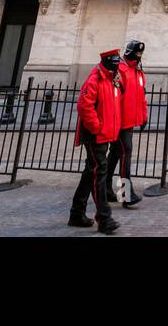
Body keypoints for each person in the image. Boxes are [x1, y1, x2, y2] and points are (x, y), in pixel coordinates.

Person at [69, 48, 122, 233]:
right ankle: (104, 219)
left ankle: (76, 213)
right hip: (95, 135)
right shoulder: (95, 79)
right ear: (108, 62)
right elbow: (84, 105)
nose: (118, 66)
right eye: (115, 63)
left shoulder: (112, 79)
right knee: (100, 172)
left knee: (90, 172)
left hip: (106, 133)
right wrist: (97, 127)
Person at [105, 39, 147, 207]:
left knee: (115, 153)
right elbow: (113, 98)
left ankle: (105, 189)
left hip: (130, 121)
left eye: (140, 55)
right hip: (120, 122)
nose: (138, 58)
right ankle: (126, 195)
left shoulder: (138, 71)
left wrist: (144, 116)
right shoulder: (120, 70)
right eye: (136, 55)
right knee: (125, 153)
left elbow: (141, 97)